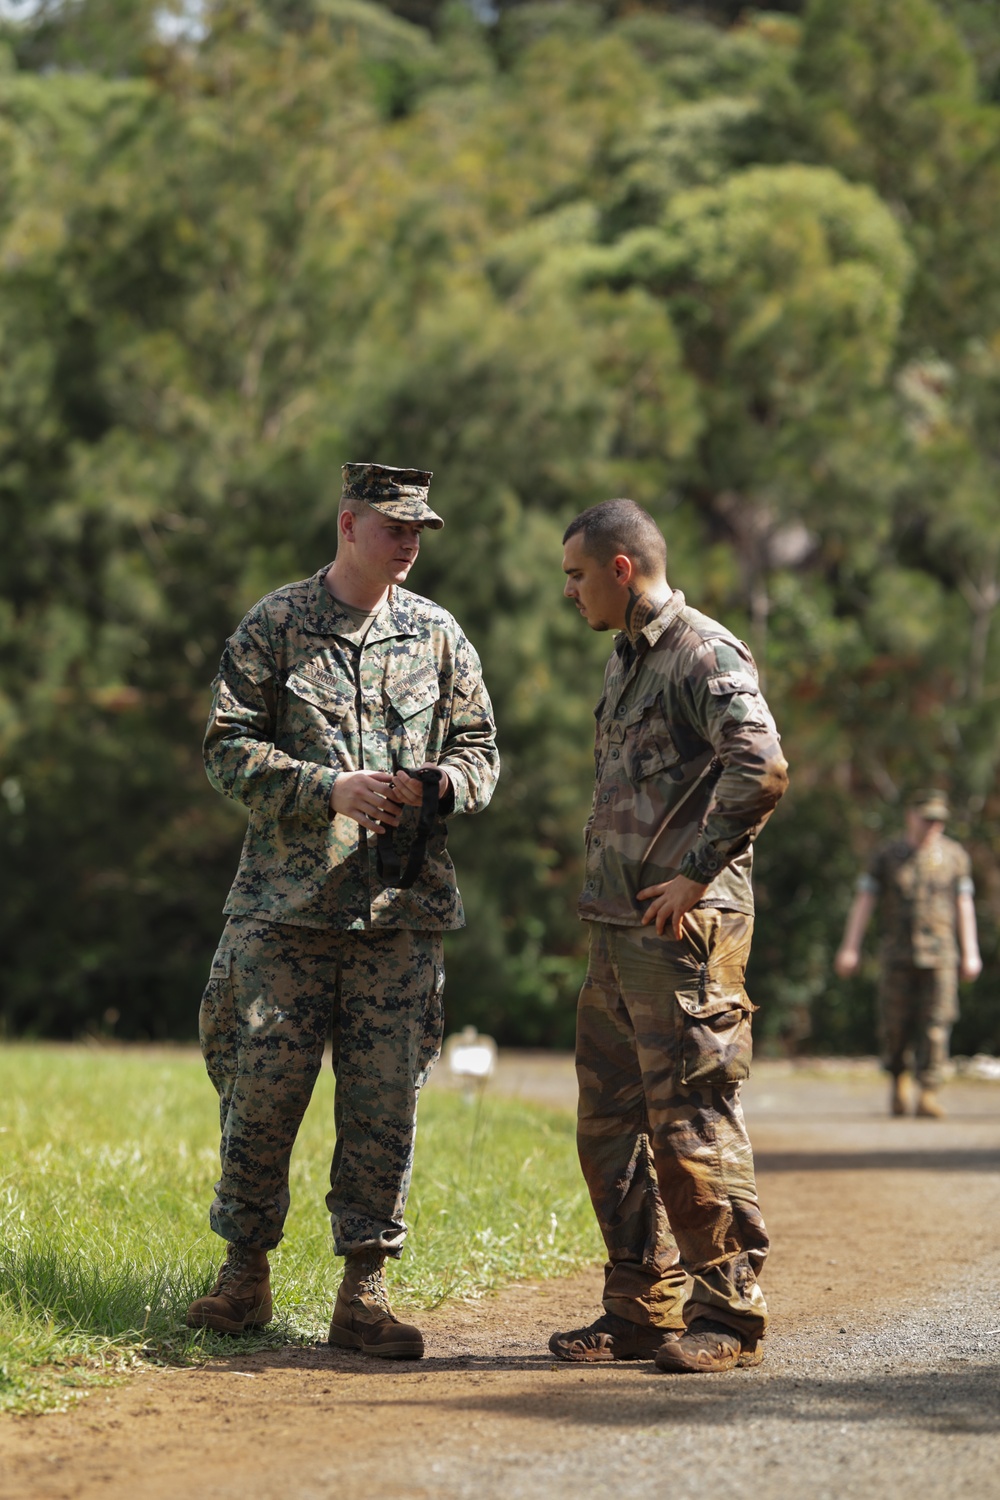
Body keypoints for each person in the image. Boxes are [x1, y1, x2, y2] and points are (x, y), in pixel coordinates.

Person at [185, 462, 499, 1358]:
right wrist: (328, 788)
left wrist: (441, 784)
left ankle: (364, 1292)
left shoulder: (438, 636)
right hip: (285, 914)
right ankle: (243, 1277)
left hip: (399, 916)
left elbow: (481, 752)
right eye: (394, 528)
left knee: (384, 1106)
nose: (408, 544)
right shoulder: (276, 625)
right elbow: (225, 749)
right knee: (260, 1096)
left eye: (418, 532)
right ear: (348, 524)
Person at [551, 498, 788, 1376]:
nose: (569, 592)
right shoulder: (626, 660)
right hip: (617, 934)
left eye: (577, 574)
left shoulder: (702, 651)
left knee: (691, 1122)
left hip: (684, 936)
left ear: (621, 568)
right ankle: (639, 1310)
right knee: (608, 1128)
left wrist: (695, 872)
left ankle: (728, 1314)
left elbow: (761, 766)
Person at [834, 790, 981, 1119]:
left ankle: (928, 1091)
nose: (933, 825)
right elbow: (864, 901)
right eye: (927, 818)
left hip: (942, 955)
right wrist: (850, 947)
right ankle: (899, 1080)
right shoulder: (887, 855)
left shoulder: (955, 856)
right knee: (895, 1025)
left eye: (938, 820)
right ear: (910, 817)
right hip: (897, 955)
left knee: (937, 1023)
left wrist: (971, 952)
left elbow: (964, 904)